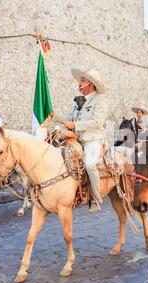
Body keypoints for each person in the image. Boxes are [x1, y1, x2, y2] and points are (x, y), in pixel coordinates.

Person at [51, 68, 109, 213]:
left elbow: (97, 122)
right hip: (77, 140)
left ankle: (96, 199)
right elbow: (69, 120)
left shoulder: (100, 100)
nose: (79, 83)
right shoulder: (78, 102)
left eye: (82, 81)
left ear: (91, 84)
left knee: (89, 165)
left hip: (93, 139)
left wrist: (75, 125)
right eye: (80, 81)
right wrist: (53, 115)